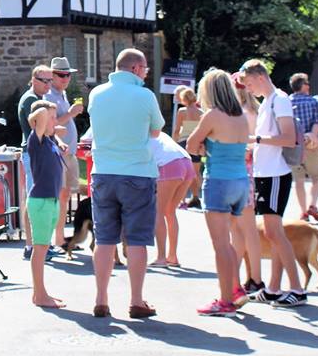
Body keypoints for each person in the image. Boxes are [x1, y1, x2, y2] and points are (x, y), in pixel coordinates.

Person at [88, 48, 164, 319]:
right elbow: (156, 130)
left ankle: (101, 299)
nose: (145, 74)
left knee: (104, 238)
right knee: (136, 241)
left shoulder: (96, 94)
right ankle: (136, 300)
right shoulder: (145, 95)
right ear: (135, 68)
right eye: (144, 70)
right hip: (137, 172)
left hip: (103, 172)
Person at [239, 59, 307, 307]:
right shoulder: (269, 101)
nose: (247, 89)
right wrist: (254, 145)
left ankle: (297, 289)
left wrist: (255, 139)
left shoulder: (280, 100)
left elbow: (288, 138)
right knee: (273, 232)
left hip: (275, 173)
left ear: (258, 77)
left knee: (273, 232)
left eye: (248, 83)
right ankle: (275, 288)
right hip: (266, 173)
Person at [187, 69, 251, 316]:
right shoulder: (242, 117)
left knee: (221, 245)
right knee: (231, 242)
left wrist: (204, 148)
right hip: (240, 182)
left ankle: (224, 301)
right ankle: (235, 289)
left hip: (218, 182)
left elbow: (192, 144)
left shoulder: (213, 115)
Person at [26, 101, 66, 308]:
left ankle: (40, 293)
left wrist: (56, 131)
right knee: (40, 248)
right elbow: (39, 114)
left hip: (51, 201)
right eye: (51, 117)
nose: (54, 120)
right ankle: (40, 295)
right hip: (41, 201)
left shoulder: (49, 140)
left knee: (43, 246)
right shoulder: (36, 139)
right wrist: (42, 113)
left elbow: (54, 126)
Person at [230, 75, 265, 298]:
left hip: (241, 169)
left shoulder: (239, 114)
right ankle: (251, 277)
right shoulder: (257, 111)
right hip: (254, 169)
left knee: (239, 229)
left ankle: (253, 278)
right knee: (247, 229)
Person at [45, 56, 85, 252]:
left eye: (68, 75)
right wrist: (71, 113)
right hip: (58, 153)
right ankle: (56, 239)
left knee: (66, 195)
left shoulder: (62, 93)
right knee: (59, 196)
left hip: (69, 151)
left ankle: (60, 238)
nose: (66, 78)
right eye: (61, 75)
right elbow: (51, 125)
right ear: (52, 76)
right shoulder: (49, 96)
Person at [18, 65, 56, 261]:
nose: (49, 84)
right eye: (45, 81)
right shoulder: (31, 100)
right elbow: (39, 129)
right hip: (33, 155)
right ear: (34, 79)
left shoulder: (39, 98)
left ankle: (35, 244)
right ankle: (34, 245)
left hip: (35, 154)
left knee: (34, 198)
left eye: (51, 80)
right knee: (35, 200)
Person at [147, 132, 194, 267]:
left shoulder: (140, 135)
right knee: (170, 211)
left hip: (170, 165)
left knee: (158, 212)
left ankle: (161, 257)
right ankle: (172, 256)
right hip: (186, 162)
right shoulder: (160, 134)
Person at [289, 73, 318, 222]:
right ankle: (313, 205)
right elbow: (316, 122)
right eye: (307, 83)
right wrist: (313, 138)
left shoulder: (287, 102)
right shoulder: (313, 101)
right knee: (316, 177)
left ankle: (303, 212)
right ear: (302, 86)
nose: (309, 86)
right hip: (311, 145)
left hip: (293, 145)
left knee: (299, 180)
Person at [173, 86, 204, 208]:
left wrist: (174, 143)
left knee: (183, 173)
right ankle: (196, 197)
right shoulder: (201, 113)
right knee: (195, 173)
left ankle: (182, 200)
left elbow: (176, 130)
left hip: (183, 143)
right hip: (196, 144)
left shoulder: (182, 112)